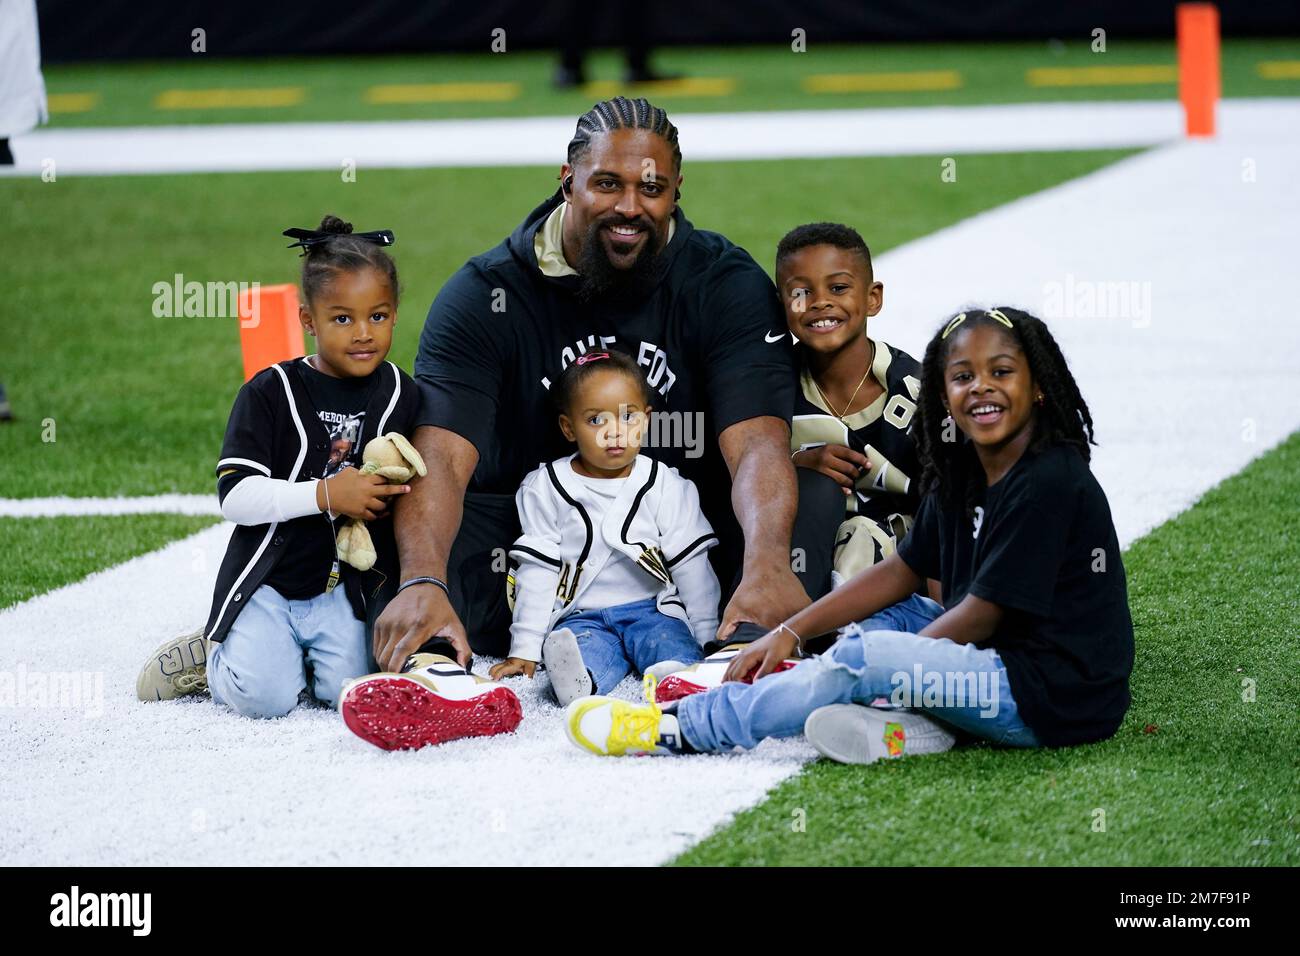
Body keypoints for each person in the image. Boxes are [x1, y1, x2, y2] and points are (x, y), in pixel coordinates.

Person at [372, 96, 814, 693]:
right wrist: (422, 577)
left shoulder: (724, 283)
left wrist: (765, 561)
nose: (629, 207)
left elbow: (758, 442)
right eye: (607, 183)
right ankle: (434, 666)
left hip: (680, 534)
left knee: (802, 497)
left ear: (676, 190)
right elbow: (444, 455)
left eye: (651, 188)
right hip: (533, 541)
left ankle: (735, 643)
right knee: (394, 510)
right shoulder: (485, 293)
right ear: (567, 181)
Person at [563, 308, 1135, 763]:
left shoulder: (1048, 479)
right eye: (962, 377)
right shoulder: (962, 467)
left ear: (1039, 388)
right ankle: (915, 726)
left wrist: (894, 665)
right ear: (943, 394)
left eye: (1002, 372)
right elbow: (903, 570)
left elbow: (984, 613)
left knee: (872, 654)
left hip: (1050, 700)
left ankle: (684, 728)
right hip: (987, 663)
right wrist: (788, 631)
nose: (980, 388)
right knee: (868, 625)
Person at [140, 218, 521, 743]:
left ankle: (273, 656)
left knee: (344, 686)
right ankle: (216, 657)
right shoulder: (270, 392)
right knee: (265, 699)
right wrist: (326, 493)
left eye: (378, 316)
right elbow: (235, 497)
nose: (363, 333)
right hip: (270, 582)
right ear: (309, 320)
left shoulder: (399, 394)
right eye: (342, 318)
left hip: (340, 588)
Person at [650, 222, 926, 701]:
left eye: (838, 288)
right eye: (800, 292)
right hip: (800, 555)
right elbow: (729, 471)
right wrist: (794, 459)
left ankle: (838, 650)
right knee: (805, 489)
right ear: (780, 306)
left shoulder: (918, 391)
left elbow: (951, 503)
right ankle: (746, 640)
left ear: (873, 297)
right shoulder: (764, 383)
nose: (819, 302)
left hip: (894, 570)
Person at [488, 350, 719, 705]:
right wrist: (525, 649)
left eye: (628, 417)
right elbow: (537, 572)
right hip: (582, 615)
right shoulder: (545, 486)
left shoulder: (666, 484)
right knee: (579, 652)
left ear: (647, 419)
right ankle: (580, 682)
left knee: (669, 642)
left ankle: (677, 676)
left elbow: (692, 566)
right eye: (596, 420)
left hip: (651, 608)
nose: (615, 432)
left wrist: (708, 639)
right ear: (569, 428)